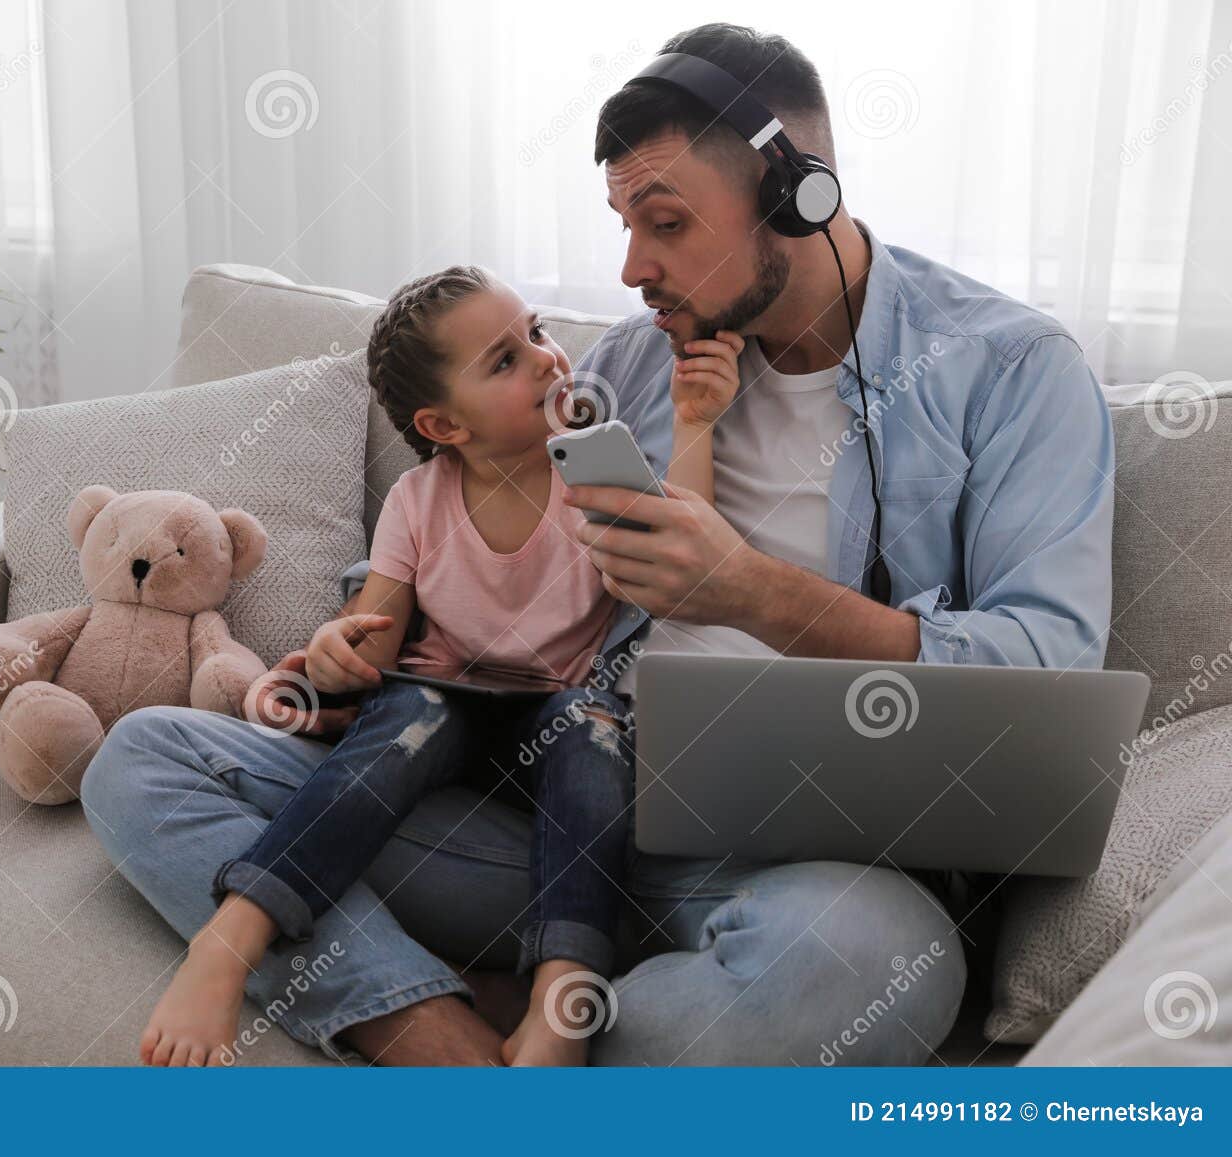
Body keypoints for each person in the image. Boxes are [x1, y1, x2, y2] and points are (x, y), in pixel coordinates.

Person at [81, 23, 1112, 1066]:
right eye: (623, 222)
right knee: (144, 760)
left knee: (880, 959)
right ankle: (431, 1028)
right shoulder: (628, 361)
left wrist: (752, 592)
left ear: (798, 191)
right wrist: (365, 644)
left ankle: (542, 1009)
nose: (632, 268)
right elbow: (474, 524)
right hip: (550, 813)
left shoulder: (1009, 370)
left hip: (782, 872)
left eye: (664, 222)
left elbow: (1050, 670)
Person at [128, 265, 744, 1066]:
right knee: (414, 710)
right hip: (439, 717)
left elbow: (682, 558)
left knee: (591, 725)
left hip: (555, 728)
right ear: (444, 425)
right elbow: (374, 637)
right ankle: (232, 938)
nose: (547, 358)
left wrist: (695, 422)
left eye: (536, 332)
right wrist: (335, 651)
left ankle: (561, 1002)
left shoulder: (593, 475)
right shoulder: (419, 500)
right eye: (505, 360)